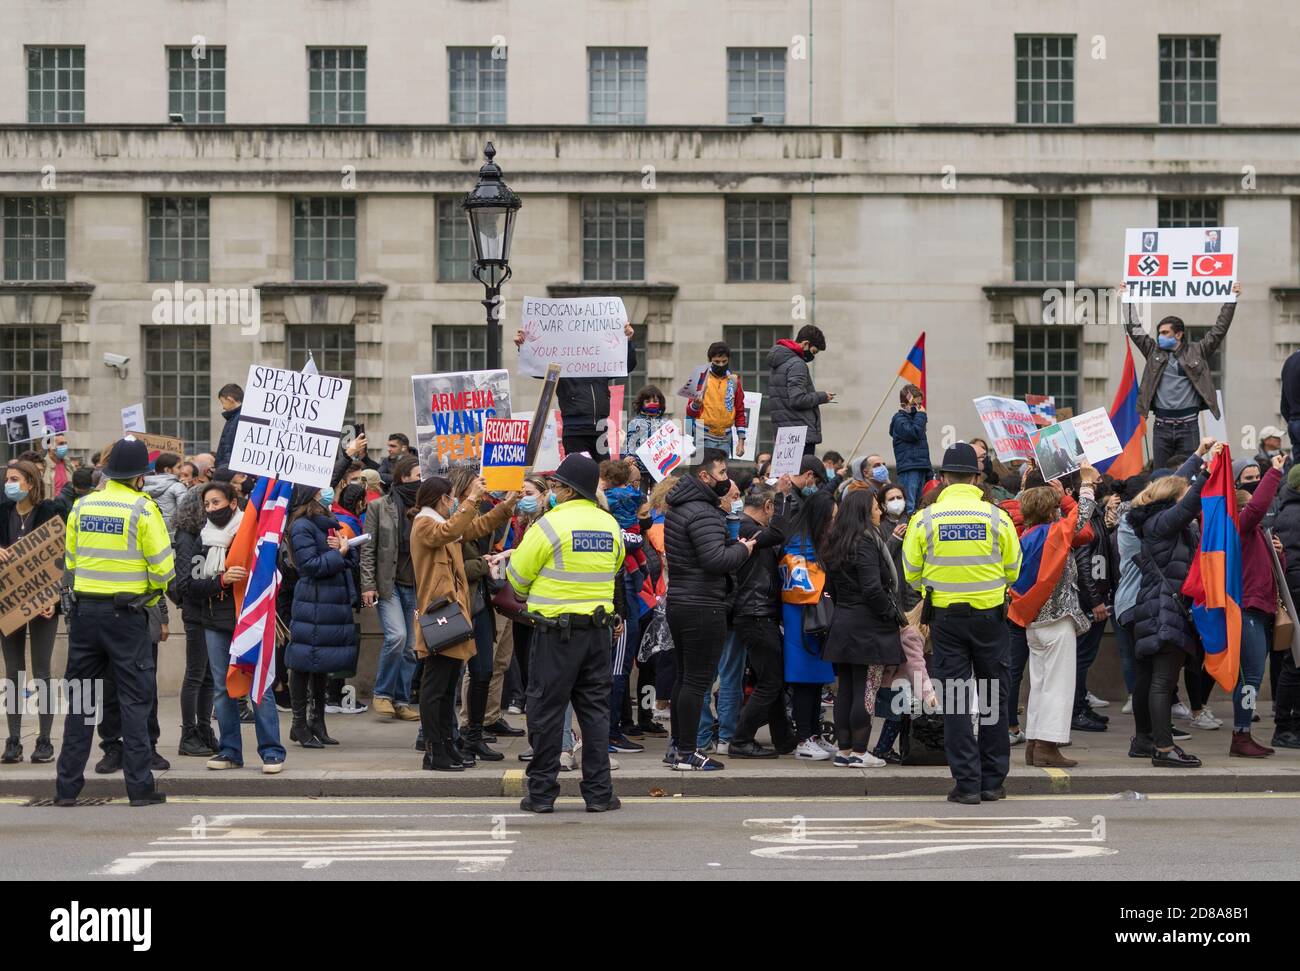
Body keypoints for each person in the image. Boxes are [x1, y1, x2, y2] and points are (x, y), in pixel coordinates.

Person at [54, 437, 176, 807]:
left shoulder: (82, 505)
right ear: (141, 476)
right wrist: (152, 595)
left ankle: (66, 789)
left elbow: (70, 562)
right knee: (134, 703)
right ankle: (140, 789)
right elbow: (163, 568)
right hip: (127, 617)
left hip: (85, 617)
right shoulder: (143, 508)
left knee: (80, 704)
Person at [505, 454, 626, 811]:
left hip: (556, 635)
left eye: (556, 485)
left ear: (569, 490)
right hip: (598, 635)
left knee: (545, 711)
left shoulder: (549, 524)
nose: (551, 490)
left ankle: (541, 794)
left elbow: (516, 578)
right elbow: (614, 569)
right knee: (595, 713)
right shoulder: (609, 524)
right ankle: (599, 794)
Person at [902, 442, 1021, 805]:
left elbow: (910, 573)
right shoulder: (996, 517)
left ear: (942, 478)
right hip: (990, 620)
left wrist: (936, 588)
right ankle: (992, 782)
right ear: (977, 477)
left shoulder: (925, 518)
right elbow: (1013, 569)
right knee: (992, 700)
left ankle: (967, 785)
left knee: (955, 700)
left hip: (947, 621)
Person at [410, 475, 516, 773]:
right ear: (440, 499)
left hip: (452, 613)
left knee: (445, 689)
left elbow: (475, 527)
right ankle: (434, 750)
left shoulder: (441, 523)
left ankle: (446, 745)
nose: (453, 503)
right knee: (435, 689)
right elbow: (452, 529)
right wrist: (472, 499)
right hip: (438, 615)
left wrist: (506, 505)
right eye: (450, 498)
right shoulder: (425, 522)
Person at [1127, 446, 1220, 768]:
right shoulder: (1163, 523)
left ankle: (1144, 741)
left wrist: (1198, 455)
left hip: (1155, 607)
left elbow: (1176, 485)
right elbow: (1189, 500)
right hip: (1165, 609)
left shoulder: (1156, 520)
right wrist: (1208, 472)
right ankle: (1164, 749)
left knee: (1151, 679)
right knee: (1163, 682)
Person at [662, 449, 755, 770]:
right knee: (695, 682)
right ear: (704, 476)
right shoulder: (702, 512)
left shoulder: (680, 507)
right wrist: (743, 548)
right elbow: (716, 560)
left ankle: (678, 748)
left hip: (681, 602)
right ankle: (688, 753)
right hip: (702, 605)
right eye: (722, 473)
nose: (726, 479)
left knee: (684, 678)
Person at [1008, 468, 1098, 769]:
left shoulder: (1024, 537)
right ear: (1051, 509)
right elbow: (1082, 520)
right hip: (1057, 619)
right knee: (1058, 686)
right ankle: (1047, 746)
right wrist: (1085, 485)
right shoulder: (1054, 533)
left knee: (1040, 684)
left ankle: (1034, 743)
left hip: (1032, 621)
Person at [821, 488, 906, 768]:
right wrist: (892, 614)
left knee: (846, 689)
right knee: (866, 690)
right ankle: (860, 750)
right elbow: (872, 588)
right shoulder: (866, 542)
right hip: (869, 627)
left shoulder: (836, 542)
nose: (880, 510)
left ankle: (844, 751)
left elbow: (831, 588)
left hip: (843, 623)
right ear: (863, 511)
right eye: (875, 506)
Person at [1121, 281, 1239, 468]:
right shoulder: (1153, 352)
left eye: (1165, 332)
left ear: (1178, 335)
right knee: (1161, 477)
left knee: (1189, 475)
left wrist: (1231, 299)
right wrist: (1126, 298)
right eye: (1159, 333)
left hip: (1188, 427)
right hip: (1161, 427)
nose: (1160, 336)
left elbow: (1219, 330)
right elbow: (1134, 329)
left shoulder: (1197, 351)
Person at [284, 484, 360, 749]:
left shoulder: (330, 523)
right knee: (304, 662)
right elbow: (309, 566)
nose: (329, 494)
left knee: (322, 662)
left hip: (331, 600)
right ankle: (298, 723)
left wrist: (346, 549)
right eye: (322, 491)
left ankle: (317, 720)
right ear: (313, 495)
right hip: (313, 600)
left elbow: (350, 559)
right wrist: (337, 554)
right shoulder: (302, 526)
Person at [0, 461, 64, 764]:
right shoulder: (2, 512)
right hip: (8, 602)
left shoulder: (49, 511)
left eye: (15, 479)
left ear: (30, 482)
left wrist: (53, 595)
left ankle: (44, 739)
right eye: (7, 479)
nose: (9, 484)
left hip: (43, 604)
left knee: (41, 671)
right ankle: (13, 739)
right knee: (13, 672)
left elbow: (61, 555)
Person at [729, 484, 794, 759]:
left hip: (758, 613)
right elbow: (779, 532)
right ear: (768, 507)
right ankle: (741, 739)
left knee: (772, 679)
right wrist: (782, 496)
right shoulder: (746, 527)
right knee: (770, 681)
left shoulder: (748, 527)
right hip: (754, 615)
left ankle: (783, 738)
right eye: (773, 509)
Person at [1230, 452, 1286, 757]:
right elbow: (1256, 507)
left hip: (1261, 610)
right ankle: (1241, 735)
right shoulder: (1240, 525)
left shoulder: (1258, 534)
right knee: (1250, 677)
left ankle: (1244, 734)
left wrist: (1279, 552)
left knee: (1252, 675)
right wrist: (1274, 474)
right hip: (1248, 611)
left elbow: (1271, 572)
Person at [515, 323, 637, 461]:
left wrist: (628, 341)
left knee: (604, 475)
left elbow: (627, 366)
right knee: (579, 477)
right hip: (575, 431)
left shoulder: (601, 362)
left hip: (600, 431)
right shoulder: (562, 364)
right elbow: (536, 368)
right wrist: (523, 347)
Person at [360, 455, 422, 722]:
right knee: (396, 637)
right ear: (403, 477)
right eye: (418, 476)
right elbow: (368, 549)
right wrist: (368, 585)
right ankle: (382, 693)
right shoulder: (380, 507)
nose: (422, 480)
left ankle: (402, 699)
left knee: (411, 647)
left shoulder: (426, 508)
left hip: (417, 585)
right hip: (390, 584)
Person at [781, 490, 838, 761]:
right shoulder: (799, 547)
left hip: (814, 623)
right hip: (802, 623)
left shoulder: (810, 543)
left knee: (816, 683)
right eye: (831, 518)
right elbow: (806, 588)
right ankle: (804, 738)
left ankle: (814, 734)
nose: (833, 524)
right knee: (805, 682)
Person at [167, 484, 219, 758]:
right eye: (209, 503)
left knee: (208, 676)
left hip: (206, 612)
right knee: (196, 675)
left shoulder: (205, 534)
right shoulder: (187, 536)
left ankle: (203, 729)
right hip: (197, 613)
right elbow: (186, 581)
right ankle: (188, 734)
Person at [1269, 464, 1300, 749]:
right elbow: (1290, 567)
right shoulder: (1293, 515)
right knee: (1295, 664)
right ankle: (1283, 725)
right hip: (1298, 598)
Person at [767, 324, 834, 456]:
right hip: (800, 434)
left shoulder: (780, 362)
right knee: (804, 475)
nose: (812, 356)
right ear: (805, 344)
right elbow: (797, 399)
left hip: (785, 434)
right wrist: (822, 397)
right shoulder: (797, 364)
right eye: (814, 351)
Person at [685, 342, 748, 458]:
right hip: (702, 435)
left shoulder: (734, 381)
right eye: (717, 362)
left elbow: (740, 412)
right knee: (702, 474)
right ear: (710, 360)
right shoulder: (700, 378)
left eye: (724, 362)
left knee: (720, 474)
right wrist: (695, 405)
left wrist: (741, 441)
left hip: (725, 438)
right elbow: (689, 413)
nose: (721, 365)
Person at [889, 383, 931, 513]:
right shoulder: (899, 420)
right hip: (909, 467)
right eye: (914, 405)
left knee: (920, 505)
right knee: (909, 505)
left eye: (920, 405)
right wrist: (921, 416)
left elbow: (924, 447)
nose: (918, 409)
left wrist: (929, 470)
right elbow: (913, 433)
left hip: (921, 466)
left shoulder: (917, 419)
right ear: (903, 406)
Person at [624, 385, 672, 486]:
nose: (652, 404)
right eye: (647, 401)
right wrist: (629, 457)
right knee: (641, 497)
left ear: (660, 403)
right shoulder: (635, 423)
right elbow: (630, 443)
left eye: (655, 401)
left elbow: (671, 443)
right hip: (640, 468)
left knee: (660, 497)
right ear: (641, 404)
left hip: (660, 468)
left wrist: (678, 435)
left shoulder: (665, 423)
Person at [142, 451, 190, 536]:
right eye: (178, 467)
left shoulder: (142, 485)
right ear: (167, 470)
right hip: (172, 536)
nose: (181, 471)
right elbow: (185, 513)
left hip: (149, 534)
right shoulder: (178, 487)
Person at [214, 383, 243, 467]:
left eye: (222, 402)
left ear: (230, 400)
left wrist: (223, 469)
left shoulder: (237, 418)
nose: (223, 407)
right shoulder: (234, 417)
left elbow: (230, 449)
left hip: (229, 470)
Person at [43, 433, 72, 499]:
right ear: (50, 446)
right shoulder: (42, 466)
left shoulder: (69, 465)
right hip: (50, 507)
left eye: (65, 443)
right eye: (61, 444)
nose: (65, 446)